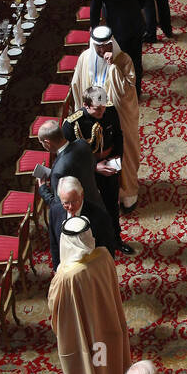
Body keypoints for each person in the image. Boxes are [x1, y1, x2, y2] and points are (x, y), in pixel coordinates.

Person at [47, 215, 131, 374]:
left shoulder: (67, 276)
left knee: (87, 361)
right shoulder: (103, 255)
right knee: (108, 357)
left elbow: (54, 304)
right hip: (108, 321)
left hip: (82, 330)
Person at [70, 29, 140, 214]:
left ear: (112, 44)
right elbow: (77, 85)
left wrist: (114, 67)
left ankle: (127, 194)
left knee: (123, 154)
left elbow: (128, 92)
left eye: (106, 46)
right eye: (98, 47)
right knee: (96, 156)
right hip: (92, 117)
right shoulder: (85, 58)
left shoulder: (123, 60)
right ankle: (105, 196)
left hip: (118, 117)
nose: (102, 51)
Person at [63, 92, 130, 254]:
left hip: (108, 166)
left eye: (103, 108)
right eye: (97, 110)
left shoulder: (110, 110)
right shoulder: (72, 124)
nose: (102, 113)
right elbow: (69, 159)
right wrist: (94, 167)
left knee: (112, 205)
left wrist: (117, 158)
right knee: (90, 208)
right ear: (86, 105)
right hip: (86, 173)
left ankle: (116, 240)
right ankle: (96, 243)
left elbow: (119, 136)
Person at [89, 0, 146, 96]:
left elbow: (94, 10)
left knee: (119, 61)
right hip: (135, 24)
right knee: (136, 61)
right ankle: (137, 92)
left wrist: (94, 29)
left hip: (116, 28)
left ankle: (123, 93)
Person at [35, 118, 105, 214]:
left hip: (81, 213)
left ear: (47, 142)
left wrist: (42, 187)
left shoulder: (58, 172)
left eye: (42, 143)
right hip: (96, 202)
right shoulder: (82, 143)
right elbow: (92, 166)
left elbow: (58, 205)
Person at [48, 174, 116, 271]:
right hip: (67, 269)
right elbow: (54, 243)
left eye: (74, 201)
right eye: (66, 203)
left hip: (92, 269)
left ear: (82, 195)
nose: (70, 207)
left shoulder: (100, 216)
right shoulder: (55, 212)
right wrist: (57, 269)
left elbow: (107, 248)